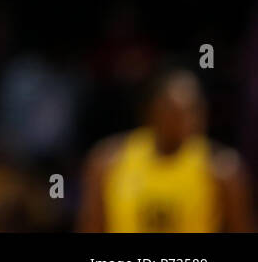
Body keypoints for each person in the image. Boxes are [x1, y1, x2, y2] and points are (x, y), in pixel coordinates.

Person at [77, 67, 254, 232]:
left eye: (194, 110)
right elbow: (90, 227)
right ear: (152, 111)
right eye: (176, 112)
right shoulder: (106, 161)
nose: (188, 120)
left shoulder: (223, 169)